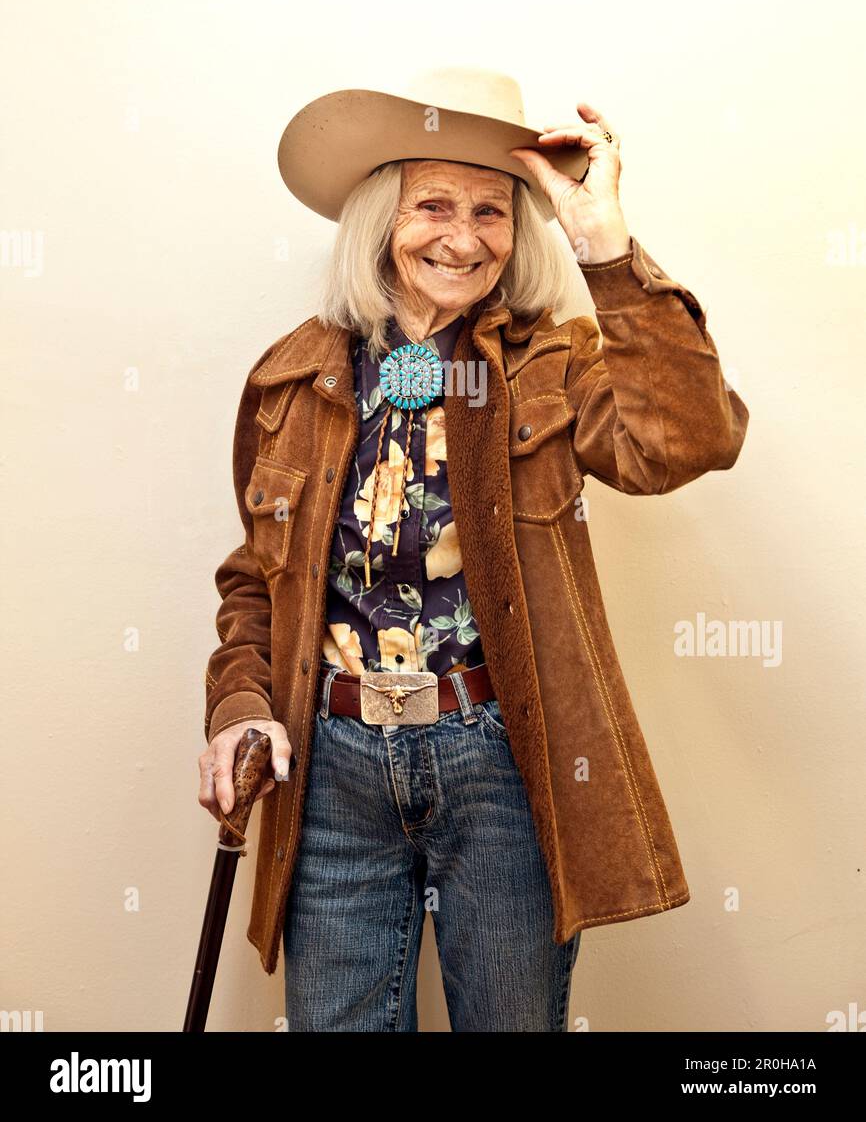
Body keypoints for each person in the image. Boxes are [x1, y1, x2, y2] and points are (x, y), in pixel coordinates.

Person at [197, 66, 749, 1032]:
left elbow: (687, 442)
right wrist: (239, 706)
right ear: (381, 220)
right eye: (434, 206)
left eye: (492, 211)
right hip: (330, 772)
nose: (463, 237)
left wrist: (606, 248)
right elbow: (255, 580)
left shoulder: (551, 360)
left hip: (499, 761)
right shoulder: (292, 378)